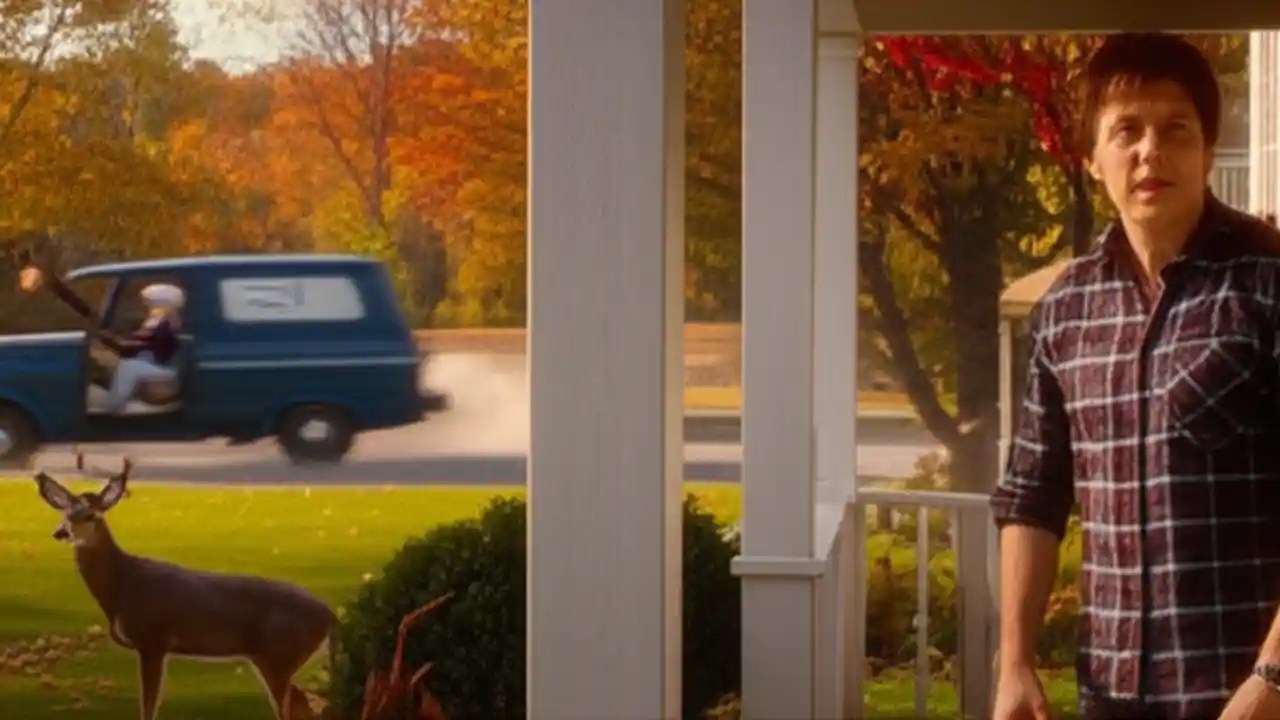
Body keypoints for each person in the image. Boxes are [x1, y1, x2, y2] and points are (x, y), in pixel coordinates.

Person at [991, 33, 1280, 719]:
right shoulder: (1065, 311)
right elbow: (1033, 495)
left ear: (1208, 148)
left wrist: (1271, 680)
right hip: (1111, 698)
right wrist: (1015, 662)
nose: (1151, 150)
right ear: (1092, 157)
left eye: (1175, 128)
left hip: (1246, 693)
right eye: (1127, 130)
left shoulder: (1267, 285)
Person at [99, 283, 183, 415]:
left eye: (148, 301)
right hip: (154, 361)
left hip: (166, 367)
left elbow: (145, 344)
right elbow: (141, 341)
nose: (145, 305)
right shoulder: (157, 320)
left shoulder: (167, 323)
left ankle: (115, 405)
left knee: (129, 366)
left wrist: (116, 343)